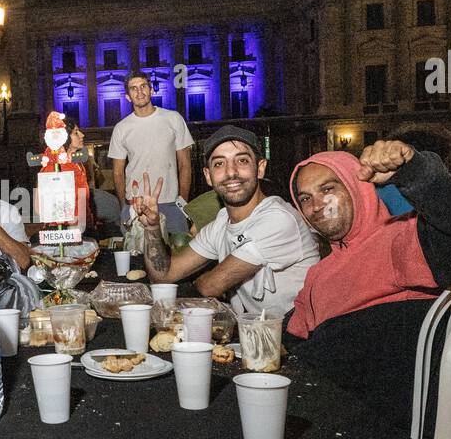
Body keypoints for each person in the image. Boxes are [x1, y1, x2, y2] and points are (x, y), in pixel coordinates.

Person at [286, 139, 451, 426]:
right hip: (317, 409)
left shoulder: (400, 239)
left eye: (328, 189)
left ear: (357, 187)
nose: (316, 206)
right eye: (305, 198)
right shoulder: (317, 275)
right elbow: (290, 339)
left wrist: (415, 171)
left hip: (383, 418)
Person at [136, 125, 319, 316]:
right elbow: (163, 275)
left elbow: (211, 286)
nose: (231, 172)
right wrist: (152, 227)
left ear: (260, 168)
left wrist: (200, 282)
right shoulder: (222, 223)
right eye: (219, 164)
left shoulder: (278, 219)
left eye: (242, 160)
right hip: (256, 332)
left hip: (297, 337)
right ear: (208, 176)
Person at [107, 71, 193, 230]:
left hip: (171, 203)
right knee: (138, 254)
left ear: (151, 90)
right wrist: (124, 206)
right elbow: (118, 173)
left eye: (143, 86)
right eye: (133, 88)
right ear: (128, 96)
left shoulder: (173, 119)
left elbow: (185, 165)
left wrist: (182, 202)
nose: (139, 92)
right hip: (136, 205)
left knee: (176, 252)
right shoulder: (121, 128)